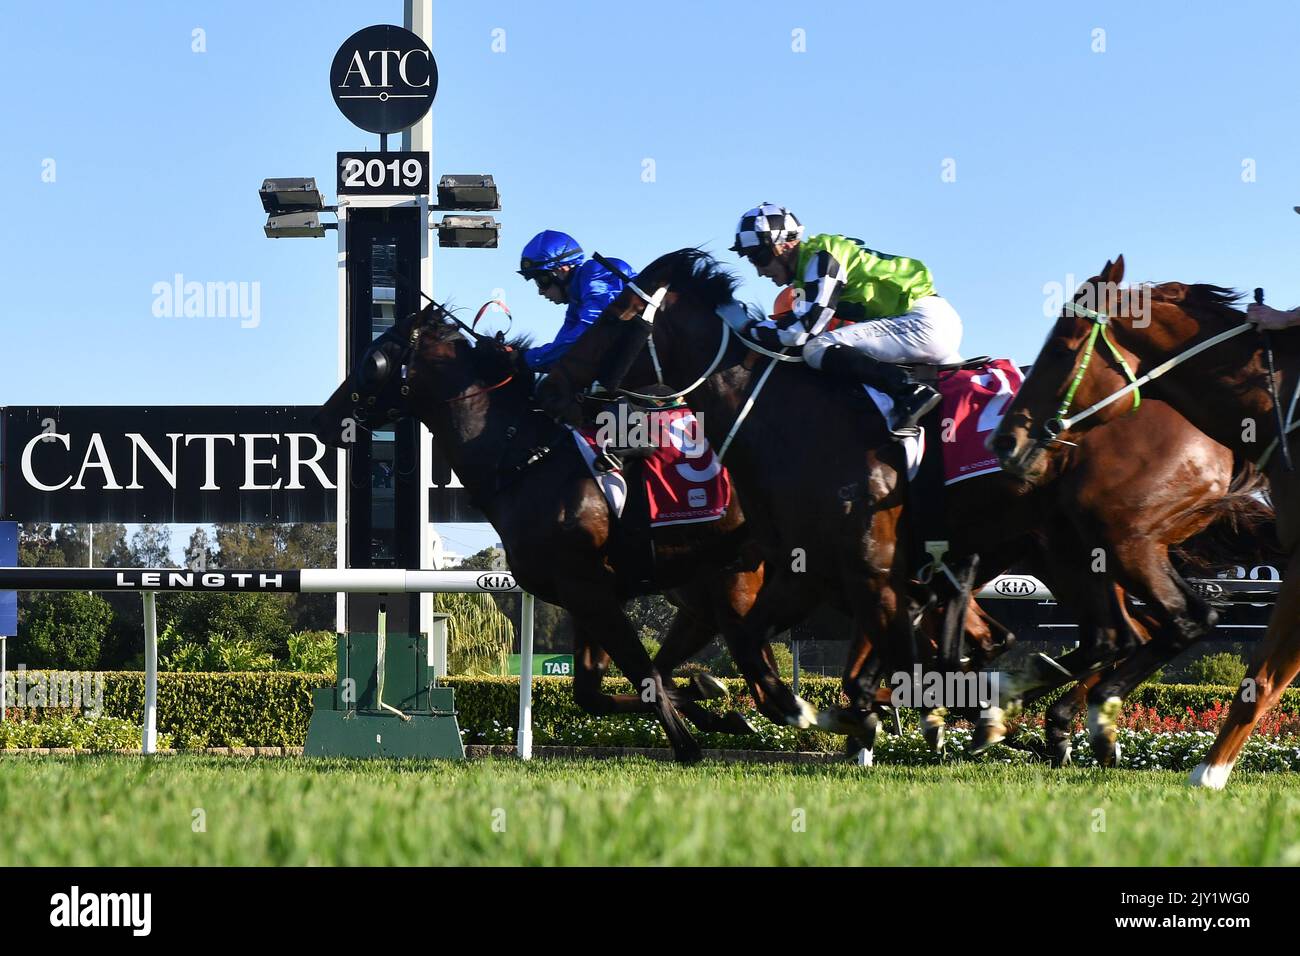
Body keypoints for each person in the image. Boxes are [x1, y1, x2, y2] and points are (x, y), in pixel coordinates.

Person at [730, 203, 963, 432]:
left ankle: (907, 390)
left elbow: (799, 333)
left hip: (925, 323)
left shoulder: (822, 258)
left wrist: (745, 325)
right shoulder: (808, 272)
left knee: (817, 348)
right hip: (925, 325)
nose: (760, 271)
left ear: (785, 245)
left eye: (758, 258)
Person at [517, 230, 635, 371]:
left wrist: (523, 359)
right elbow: (560, 349)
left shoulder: (594, 273)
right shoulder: (576, 301)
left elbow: (586, 337)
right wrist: (521, 358)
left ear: (562, 270)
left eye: (542, 280)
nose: (540, 291)